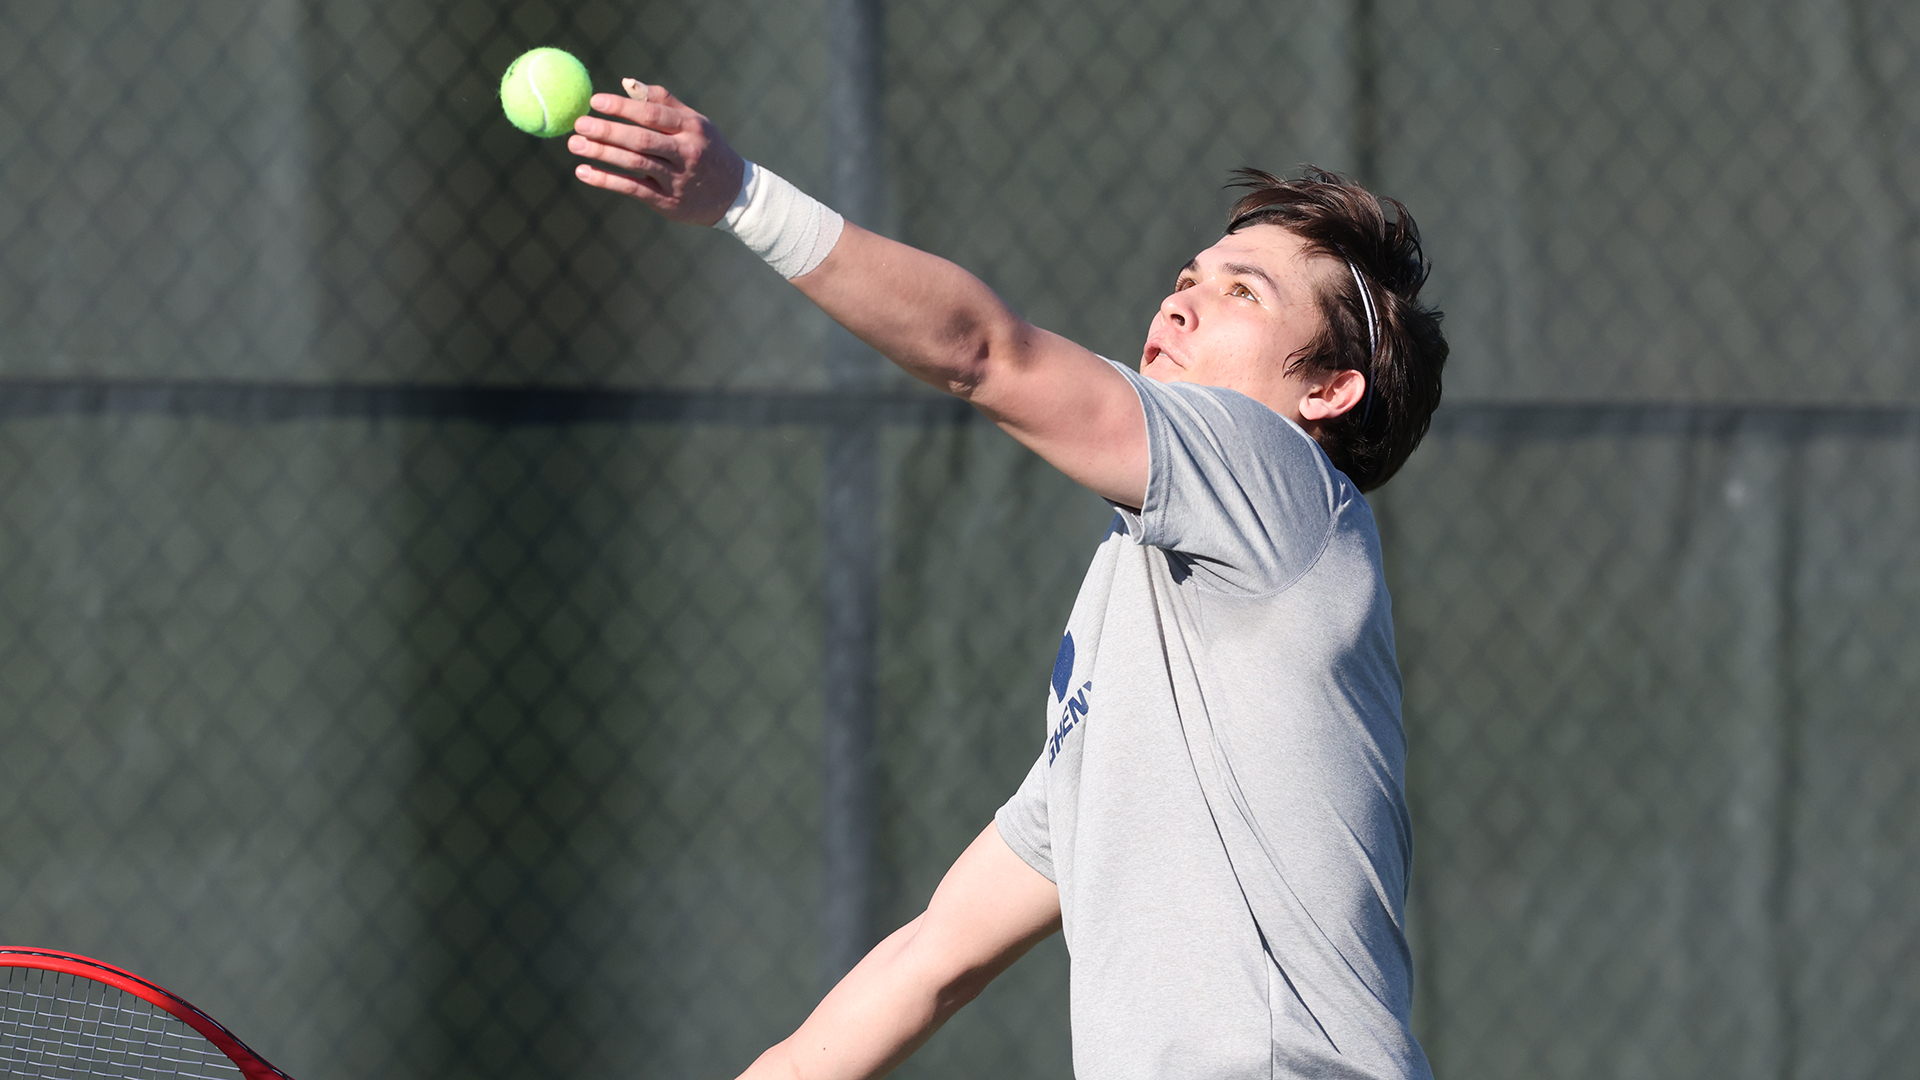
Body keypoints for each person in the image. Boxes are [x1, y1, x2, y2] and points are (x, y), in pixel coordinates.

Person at [570, 78, 1447, 1080]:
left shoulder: (1285, 482)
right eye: (1190, 276)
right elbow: (932, 959)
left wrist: (741, 194)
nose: (1184, 299)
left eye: (1244, 291)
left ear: (1328, 390)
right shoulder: (1136, 635)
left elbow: (984, 353)